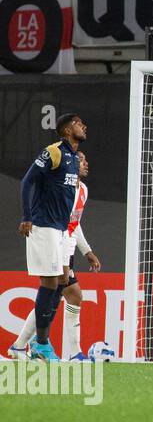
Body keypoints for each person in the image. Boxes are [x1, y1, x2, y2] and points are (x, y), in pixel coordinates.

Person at [10, 150, 100, 360]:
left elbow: (73, 225)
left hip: (66, 248)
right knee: (64, 295)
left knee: (62, 296)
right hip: (57, 246)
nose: (86, 163)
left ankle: (22, 345)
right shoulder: (63, 190)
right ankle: (44, 347)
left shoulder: (83, 190)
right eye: (81, 160)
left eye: (86, 159)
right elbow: (60, 226)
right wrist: (65, 261)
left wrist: (87, 251)